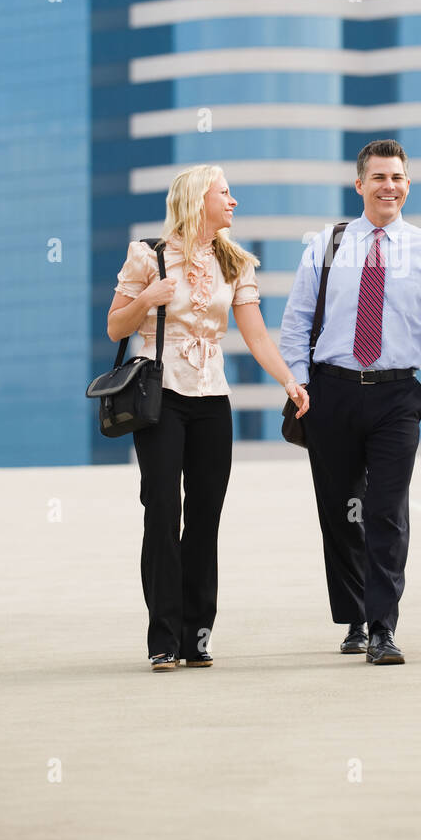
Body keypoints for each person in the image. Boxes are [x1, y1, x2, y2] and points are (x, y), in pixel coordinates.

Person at [280, 139, 421, 665]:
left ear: (407, 186)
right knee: (341, 511)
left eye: (398, 178)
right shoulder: (325, 245)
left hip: (396, 395)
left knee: (386, 511)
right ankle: (353, 619)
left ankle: (383, 627)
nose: (389, 186)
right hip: (331, 392)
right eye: (379, 178)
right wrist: (299, 386)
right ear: (360, 185)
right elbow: (297, 321)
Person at [107, 164, 308, 671]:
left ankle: (198, 634)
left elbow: (257, 335)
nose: (233, 202)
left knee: (204, 518)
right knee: (161, 511)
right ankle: (163, 637)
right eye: (226, 193)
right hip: (161, 396)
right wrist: (149, 299)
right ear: (200, 200)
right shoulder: (147, 255)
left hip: (212, 399)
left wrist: (289, 380)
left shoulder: (235, 262)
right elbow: (115, 327)